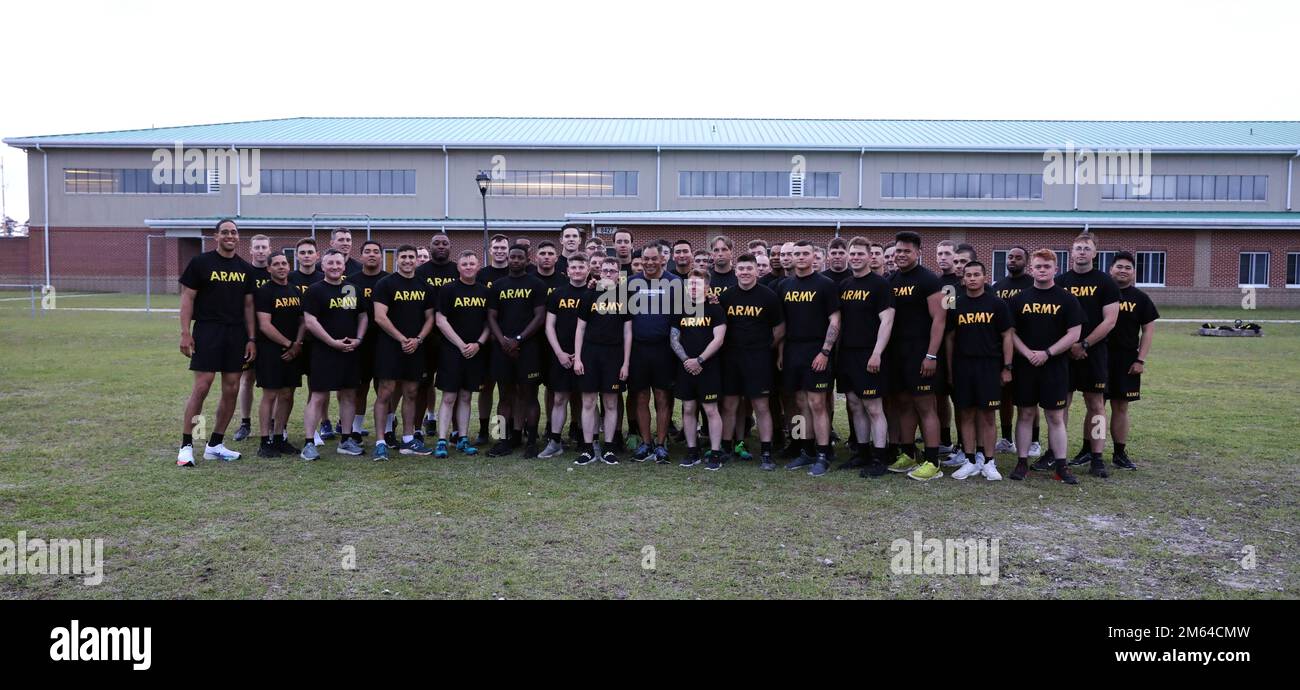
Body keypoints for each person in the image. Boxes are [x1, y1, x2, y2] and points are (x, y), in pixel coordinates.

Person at [176, 218, 257, 467]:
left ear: (238, 237)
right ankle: (187, 446)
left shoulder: (245, 268)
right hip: (208, 330)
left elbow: (248, 306)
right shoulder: (201, 263)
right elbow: (187, 298)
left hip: (236, 333)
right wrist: (185, 332)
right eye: (225, 232)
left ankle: (215, 444)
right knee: (202, 386)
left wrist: (251, 338)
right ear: (216, 236)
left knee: (232, 388)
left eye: (233, 232)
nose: (230, 236)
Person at [1007, 249, 1084, 483]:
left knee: (1055, 416)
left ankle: (1061, 466)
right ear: (1031, 269)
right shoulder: (1019, 299)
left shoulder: (1067, 299)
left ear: (1055, 269)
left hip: (1055, 366)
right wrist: (1028, 353)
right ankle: (1022, 463)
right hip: (1026, 365)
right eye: (1038, 266)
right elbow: (1010, 332)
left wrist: (1048, 353)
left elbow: (1074, 333)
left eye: (1046, 267)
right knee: (1026, 413)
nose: (1042, 270)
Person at [884, 231, 947, 481]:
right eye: (898, 250)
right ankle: (908, 454)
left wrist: (931, 355)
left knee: (925, 405)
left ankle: (933, 462)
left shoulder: (930, 280)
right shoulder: (892, 279)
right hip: (897, 354)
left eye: (906, 251)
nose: (901, 255)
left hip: (921, 353)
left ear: (918, 253)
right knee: (903, 404)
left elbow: (940, 319)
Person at [1058, 233, 1121, 478]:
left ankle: (1096, 457)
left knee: (1096, 406)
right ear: (1071, 252)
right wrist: (1069, 346)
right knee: (1060, 405)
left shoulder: (1106, 283)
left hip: (1094, 353)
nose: (1082, 252)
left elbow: (1110, 321)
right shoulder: (1061, 281)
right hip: (1064, 354)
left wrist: (1084, 343)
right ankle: (1058, 454)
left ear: (1095, 254)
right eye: (1078, 248)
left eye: (1087, 248)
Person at [776, 240, 841, 477]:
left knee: (817, 403)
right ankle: (804, 450)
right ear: (791, 257)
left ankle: (822, 454)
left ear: (814, 257)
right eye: (797, 253)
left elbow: (835, 320)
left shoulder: (826, 284)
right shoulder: (785, 285)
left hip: (817, 350)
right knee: (797, 404)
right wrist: (782, 353)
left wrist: (825, 351)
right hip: (793, 351)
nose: (801, 257)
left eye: (805, 253)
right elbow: (782, 324)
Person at [945, 260, 1014, 481]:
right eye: (968, 275)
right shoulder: (955, 303)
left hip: (989, 366)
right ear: (963, 278)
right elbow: (950, 338)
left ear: (985, 277)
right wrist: (949, 369)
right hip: (963, 365)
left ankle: (989, 461)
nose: (972, 278)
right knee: (965, 413)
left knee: (987, 415)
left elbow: (1007, 337)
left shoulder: (997, 304)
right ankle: (970, 460)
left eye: (977, 274)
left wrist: (1007, 367)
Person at [300, 249, 369, 460]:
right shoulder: (315, 290)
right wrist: (331, 342)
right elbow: (310, 321)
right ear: (323, 265)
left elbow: (362, 316)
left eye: (339, 263)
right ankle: (309, 443)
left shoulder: (351, 289)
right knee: (319, 396)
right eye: (330, 263)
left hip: (349, 350)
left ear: (344, 266)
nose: (335, 267)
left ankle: (346, 440)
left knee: (349, 395)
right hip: (324, 351)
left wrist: (358, 339)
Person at [718, 253, 784, 470]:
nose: (745, 272)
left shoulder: (768, 296)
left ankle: (766, 451)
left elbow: (779, 328)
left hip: (759, 359)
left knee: (761, 405)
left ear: (757, 271)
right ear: (735, 271)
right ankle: (726, 447)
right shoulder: (726, 297)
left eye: (749, 269)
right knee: (729, 404)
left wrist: (765, 348)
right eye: (741, 269)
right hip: (731, 358)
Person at [371, 244, 437, 460]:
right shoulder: (385, 284)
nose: (408, 260)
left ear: (417, 260)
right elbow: (380, 317)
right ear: (396, 259)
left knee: (411, 392)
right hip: (390, 346)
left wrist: (417, 340)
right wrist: (401, 338)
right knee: (386, 392)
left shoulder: (424, 286)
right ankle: (381, 441)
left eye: (412, 257)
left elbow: (430, 318)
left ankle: (408, 439)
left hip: (415, 347)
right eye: (404, 257)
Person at [836, 237, 895, 477]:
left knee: (873, 407)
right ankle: (862, 453)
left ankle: (880, 457)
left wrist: (877, 353)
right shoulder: (845, 285)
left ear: (870, 256)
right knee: (854, 404)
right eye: (853, 253)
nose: (856, 257)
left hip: (869, 354)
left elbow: (887, 320)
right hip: (847, 354)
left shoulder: (880, 285)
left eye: (861, 254)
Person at [486, 245, 547, 458]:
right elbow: (491, 316)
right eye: (513, 257)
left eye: (520, 257)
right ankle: (503, 440)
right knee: (504, 396)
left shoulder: (536, 284)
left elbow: (539, 316)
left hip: (528, 348)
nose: (516, 260)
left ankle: (531, 442)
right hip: (502, 348)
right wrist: (503, 341)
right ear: (508, 259)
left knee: (529, 395)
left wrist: (519, 339)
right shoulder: (497, 285)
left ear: (527, 259)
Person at [573, 256, 632, 465]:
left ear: (619, 274)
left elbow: (628, 332)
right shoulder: (589, 295)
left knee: (610, 402)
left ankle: (609, 448)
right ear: (599, 272)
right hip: (590, 354)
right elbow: (580, 328)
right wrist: (578, 357)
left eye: (612, 271)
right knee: (588, 402)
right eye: (605, 270)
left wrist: (625, 363)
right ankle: (588, 448)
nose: (608, 274)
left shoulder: (625, 297)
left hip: (614, 355)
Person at [627, 243, 682, 463]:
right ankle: (646, 443)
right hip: (638, 349)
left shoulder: (675, 282)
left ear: (662, 259)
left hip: (664, 349)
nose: (649, 263)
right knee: (640, 396)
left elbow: (683, 316)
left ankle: (661, 444)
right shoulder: (631, 283)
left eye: (653, 258)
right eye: (645, 259)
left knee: (662, 397)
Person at [433, 251, 490, 458]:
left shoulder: (484, 291)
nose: (468, 267)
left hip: (475, 351)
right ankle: (442, 440)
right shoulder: (448, 290)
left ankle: (463, 438)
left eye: (471, 263)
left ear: (477, 267)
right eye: (464, 263)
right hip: (452, 351)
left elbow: (488, 323)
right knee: (449, 396)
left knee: (466, 396)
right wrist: (460, 344)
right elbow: (441, 320)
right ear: (459, 267)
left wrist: (478, 344)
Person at [1106, 251, 1158, 470]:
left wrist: (1140, 360)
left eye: (1128, 267)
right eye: (1119, 266)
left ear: (1134, 273)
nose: (1123, 271)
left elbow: (1147, 331)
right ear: (1111, 269)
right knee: (1096, 406)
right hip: (1100, 357)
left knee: (1120, 406)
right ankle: (1090, 450)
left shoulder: (1140, 298)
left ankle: (1119, 453)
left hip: (1126, 359)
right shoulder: (1102, 293)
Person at [671, 271, 728, 469]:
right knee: (688, 408)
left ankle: (714, 452)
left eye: (697, 284)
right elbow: (674, 338)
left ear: (706, 287)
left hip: (709, 366)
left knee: (711, 409)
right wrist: (687, 360)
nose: (693, 287)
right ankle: (692, 450)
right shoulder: (680, 309)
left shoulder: (715, 309)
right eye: (690, 284)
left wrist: (700, 360)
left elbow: (719, 339)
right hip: (686, 366)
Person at [253, 252, 305, 458]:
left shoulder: (294, 290)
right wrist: (288, 344)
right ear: (269, 268)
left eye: (284, 263)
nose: (282, 267)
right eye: (276, 264)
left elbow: (302, 321)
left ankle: (279, 437)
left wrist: (298, 344)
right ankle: (265, 442)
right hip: (271, 351)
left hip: (294, 351)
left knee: (287, 394)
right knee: (270, 395)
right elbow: (265, 325)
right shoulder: (264, 292)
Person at [540, 253, 591, 458]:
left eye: (581, 267)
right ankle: (555, 441)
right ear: (567, 270)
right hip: (561, 355)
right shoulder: (557, 294)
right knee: (560, 397)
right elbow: (549, 326)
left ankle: (585, 438)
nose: (577, 271)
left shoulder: (594, 294)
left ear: (588, 270)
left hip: (587, 355)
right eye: (574, 267)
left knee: (586, 398)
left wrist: (582, 355)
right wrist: (559, 352)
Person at [992, 246, 1041, 458]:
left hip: (1027, 348)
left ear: (1026, 262)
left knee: (1029, 398)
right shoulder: (998, 286)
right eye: (1010, 257)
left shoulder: (1032, 284)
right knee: (1005, 396)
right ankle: (1006, 439)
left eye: (1018, 257)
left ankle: (1035, 441)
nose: (1013, 260)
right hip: (1003, 347)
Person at [414, 233, 459, 442]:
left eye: (445, 244)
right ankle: (417, 428)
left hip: (454, 337)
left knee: (454, 386)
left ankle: (457, 430)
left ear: (451, 247)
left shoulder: (457, 270)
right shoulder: (420, 272)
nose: (441, 246)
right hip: (427, 338)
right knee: (423, 384)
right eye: (436, 244)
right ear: (429, 247)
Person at [346, 240, 387, 444]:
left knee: (385, 388)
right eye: (367, 251)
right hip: (360, 344)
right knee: (359, 389)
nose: (372, 254)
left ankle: (388, 430)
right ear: (360, 256)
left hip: (384, 343)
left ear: (381, 256)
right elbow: (346, 314)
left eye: (376, 251)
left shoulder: (390, 280)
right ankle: (356, 430)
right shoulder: (351, 282)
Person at [233, 233, 274, 442]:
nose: (260, 251)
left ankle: (273, 422)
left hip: (271, 336)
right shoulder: (244, 272)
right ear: (250, 250)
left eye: (263, 247)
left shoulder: (275, 271)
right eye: (256, 247)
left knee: (272, 382)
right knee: (247, 379)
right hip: (248, 334)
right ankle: (245, 422)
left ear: (269, 249)